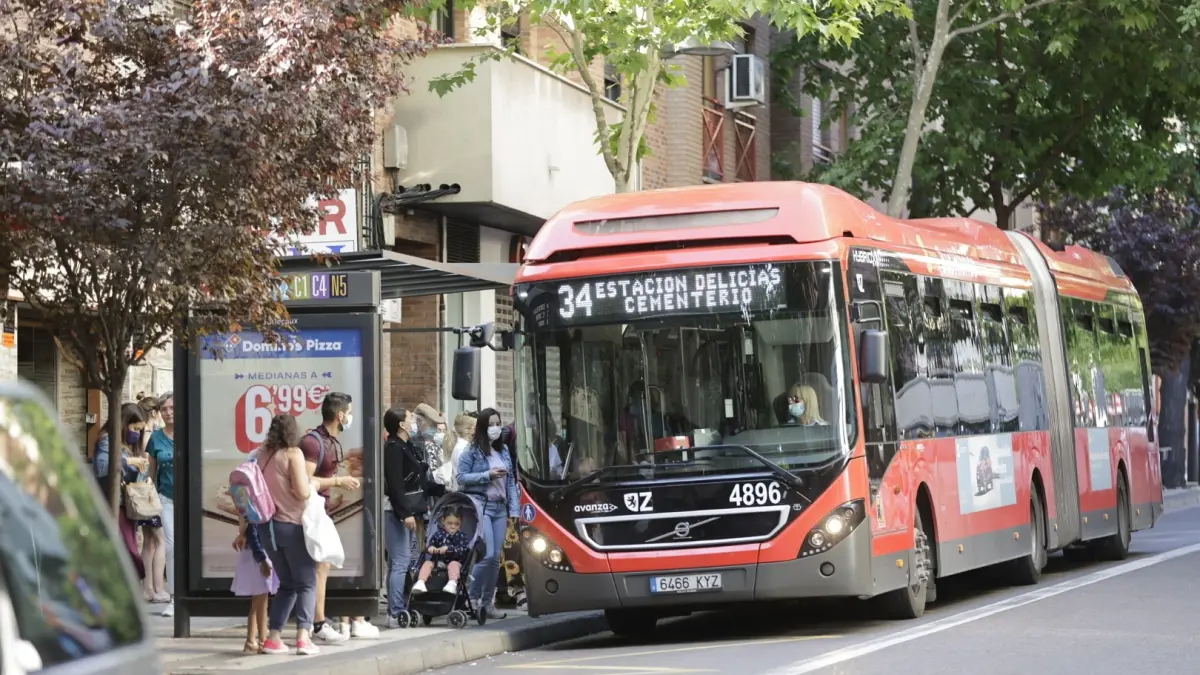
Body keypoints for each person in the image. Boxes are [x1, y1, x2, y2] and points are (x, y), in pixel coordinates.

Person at [301, 392, 374, 642]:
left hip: (321, 509)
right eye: (349, 412)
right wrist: (338, 481)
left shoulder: (330, 441)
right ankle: (317, 622)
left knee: (321, 564)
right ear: (340, 415)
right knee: (320, 564)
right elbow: (304, 481)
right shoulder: (313, 442)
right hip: (311, 510)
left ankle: (314, 621)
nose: (351, 417)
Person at [256, 415, 319, 656]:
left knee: (286, 584)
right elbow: (303, 492)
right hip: (291, 526)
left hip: (266, 528)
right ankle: (304, 637)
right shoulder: (293, 454)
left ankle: (274, 638)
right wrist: (311, 485)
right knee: (306, 583)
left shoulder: (261, 454)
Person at [456, 408, 519, 621]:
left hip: (500, 508)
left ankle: (487, 602)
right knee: (487, 554)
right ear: (483, 427)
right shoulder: (472, 451)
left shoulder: (503, 451)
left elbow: (511, 481)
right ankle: (472, 599)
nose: (495, 428)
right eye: (491, 424)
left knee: (495, 559)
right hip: (482, 506)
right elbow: (461, 478)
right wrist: (487, 475)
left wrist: (514, 509)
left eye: (497, 423)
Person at [93, 402, 151, 580]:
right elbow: (103, 468)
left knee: (128, 549)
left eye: (140, 430)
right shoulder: (107, 441)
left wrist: (143, 474)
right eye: (135, 428)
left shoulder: (127, 445)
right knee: (126, 551)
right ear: (124, 423)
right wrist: (130, 462)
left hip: (127, 506)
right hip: (114, 504)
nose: (137, 433)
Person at [381, 407, 427, 628]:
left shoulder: (405, 446)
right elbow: (395, 485)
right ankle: (395, 610)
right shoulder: (393, 448)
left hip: (403, 510)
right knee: (400, 562)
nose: (413, 421)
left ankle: (398, 607)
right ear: (401, 425)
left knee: (401, 561)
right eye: (410, 418)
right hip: (396, 511)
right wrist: (405, 513)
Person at [231, 475, 278, 654]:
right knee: (259, 602)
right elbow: (254, 534)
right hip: (259, 557)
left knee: (259, 601)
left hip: (254, 555)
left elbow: (246, 529)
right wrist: (263, 561)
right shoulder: (257, 507)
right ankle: (256, 640)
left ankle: (255, 640)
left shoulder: (246, 502)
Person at [146, 392, 177, 617]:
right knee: (171, 545)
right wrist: (151, 495)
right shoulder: (156, 438)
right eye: (164, 409)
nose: (168, 412)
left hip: (191, 500)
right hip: (166, 497)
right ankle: (175, 597)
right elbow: (152, 470)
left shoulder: (190, 433)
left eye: (172, 408)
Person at [411, 509, 470, 596]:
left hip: (456, 562)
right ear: (443, 521)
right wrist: (431, 548)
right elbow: (430, 545)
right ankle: (421, 582)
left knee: (453, 564)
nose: (453, 526)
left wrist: (448, 549)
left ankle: (452, 583)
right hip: (439, 562)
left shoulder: (461, 536)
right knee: (427, 563)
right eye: (449, 523)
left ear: (460, 523)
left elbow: (464, 550)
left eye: (456, 524)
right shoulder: (438, 534)